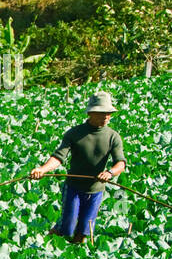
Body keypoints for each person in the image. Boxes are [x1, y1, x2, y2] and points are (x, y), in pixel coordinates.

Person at [29, 91, 126, 244]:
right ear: (91, 113)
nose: (106, 117)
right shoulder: (75, 133)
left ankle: (74, 258)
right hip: (73, 187)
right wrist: (42, 169)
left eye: (108, 113)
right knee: (66, 227)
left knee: (84, 231)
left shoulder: (113, 136)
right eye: (102, 113)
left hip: (96, 190)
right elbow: (59, 157)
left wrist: (110, 173)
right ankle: (44, 246)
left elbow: (120, 163)